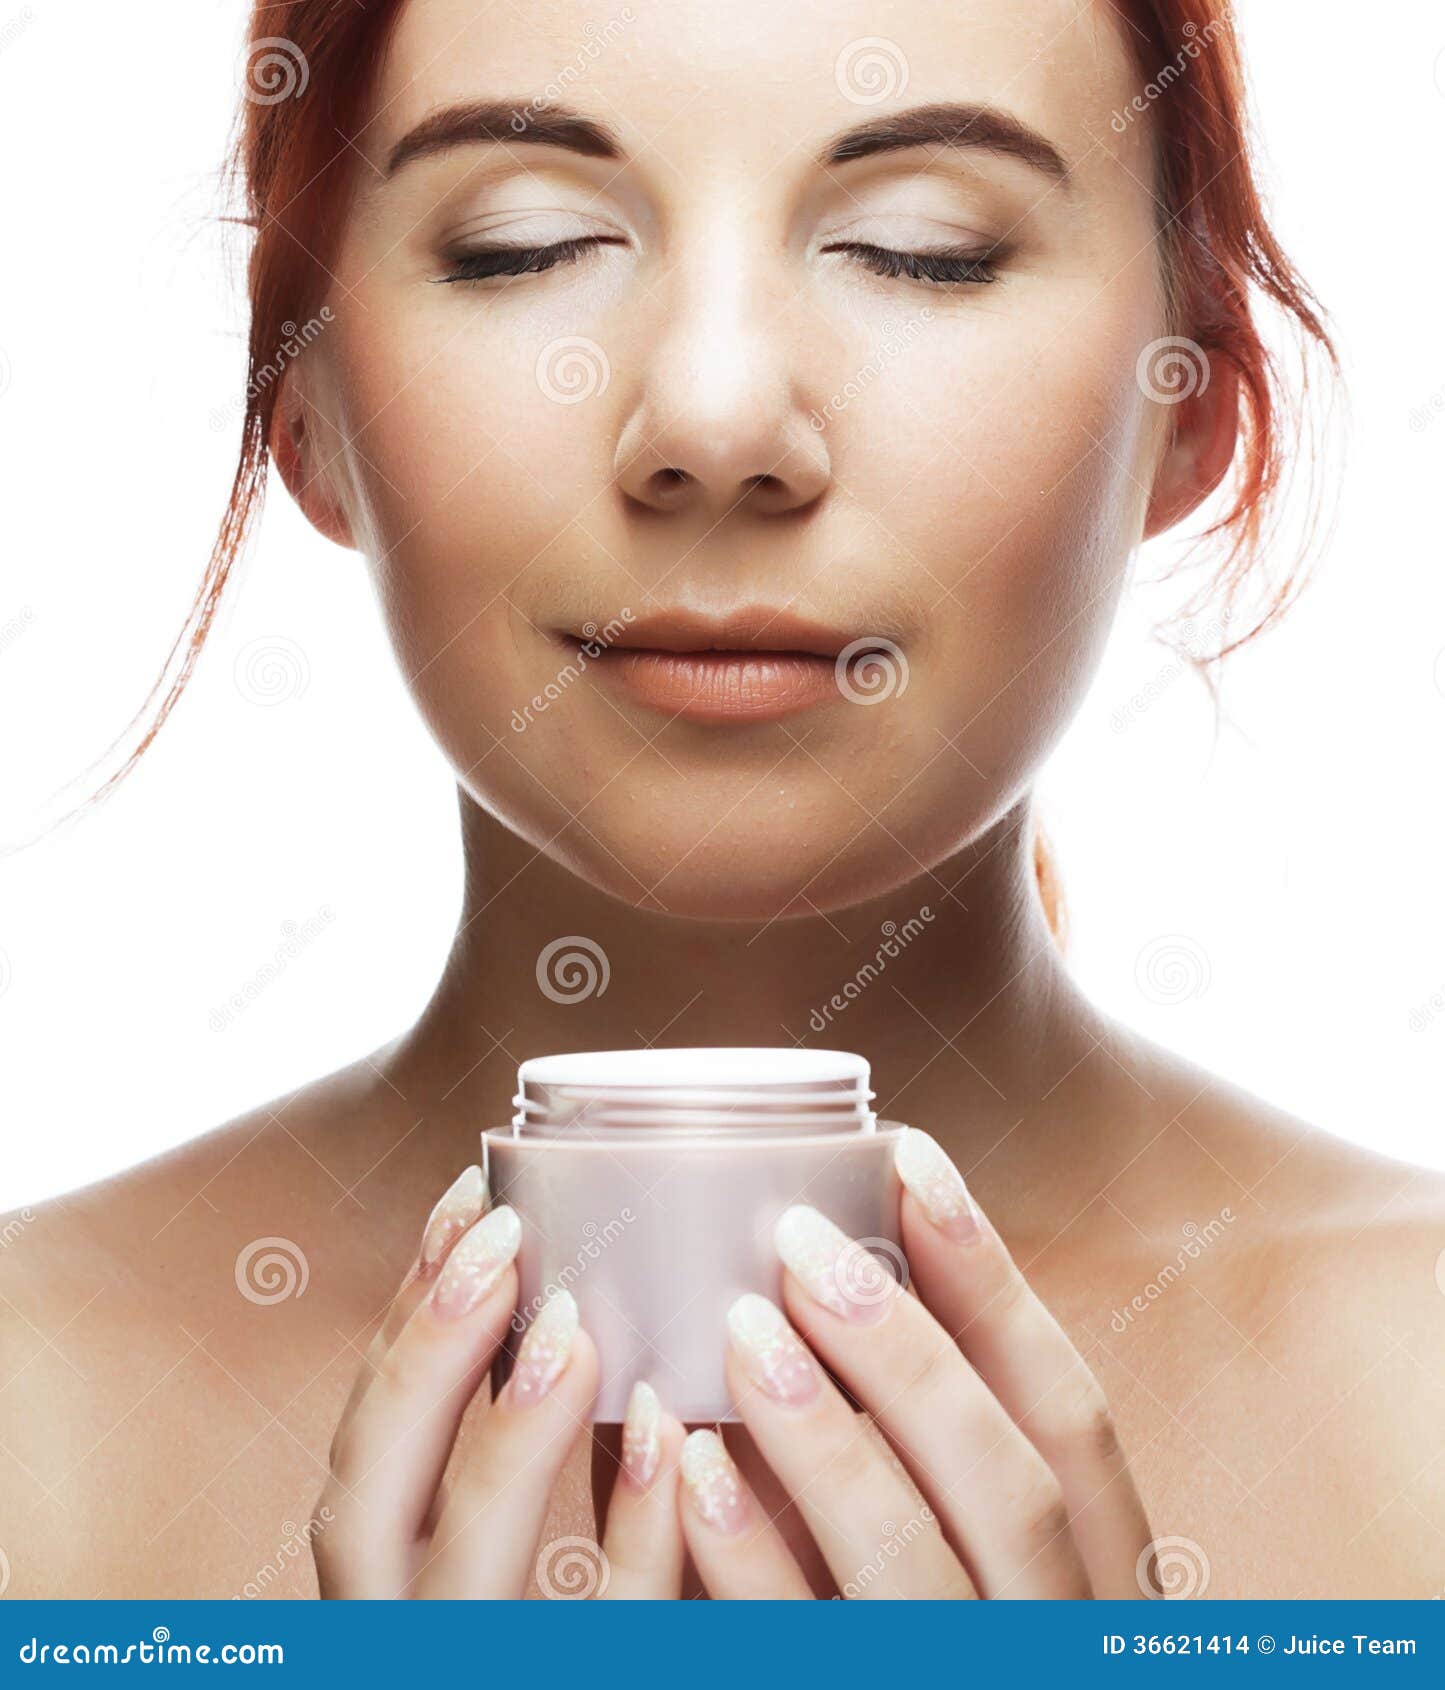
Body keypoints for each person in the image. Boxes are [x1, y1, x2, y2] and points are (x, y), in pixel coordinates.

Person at [2, 0, 1441, 1599]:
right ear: (308, 411)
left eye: (923, 248)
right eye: (521, 244)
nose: (712, 419)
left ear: (1192, 402)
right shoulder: (33, 1427)